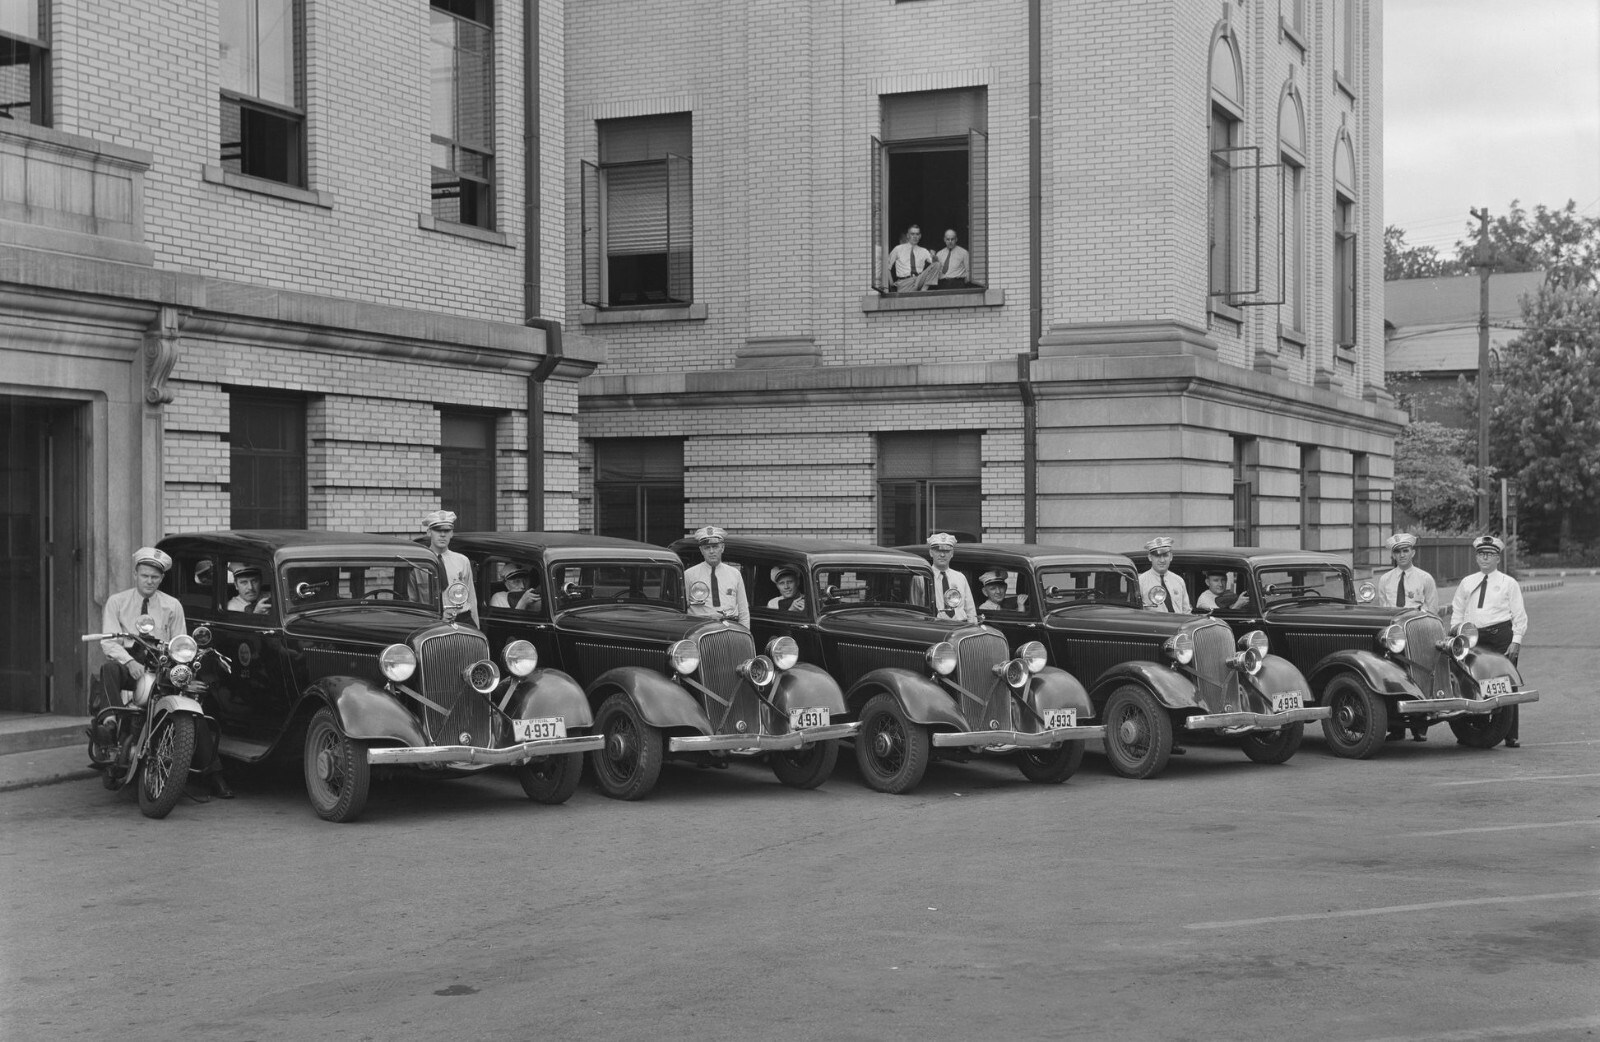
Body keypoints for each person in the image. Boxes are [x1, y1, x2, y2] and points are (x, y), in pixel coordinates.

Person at [98, 547, 231, 797]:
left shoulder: (172, 605)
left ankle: (213, 775)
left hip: (161, 663)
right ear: (135, 574)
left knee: (192, 707)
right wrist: (129, 662)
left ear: (161, 579)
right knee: (109, 669)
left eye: (155, 577)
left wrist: (182, 673)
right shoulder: (117, 601)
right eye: (145, 575)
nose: (150, 581)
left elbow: (181, 643)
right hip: (130, 662)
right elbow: (108, 642)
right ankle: (110, 723)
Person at [1449, 534, 1527, 748]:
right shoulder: (1467, 582)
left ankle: (1511, 734)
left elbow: (1519, 615)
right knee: (1471, 679)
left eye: (1489, 555)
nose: (1484, 558)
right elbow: (1458, 610)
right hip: (1473, 636)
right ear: (1476, 558)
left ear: (1498, 559)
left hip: (1500, 635)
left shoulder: (1508, 583)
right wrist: (1456, 632)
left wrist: (1516, 640)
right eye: (1481, 554)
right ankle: (1475, 730)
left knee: (1506, 683)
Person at [685, 526, 750, 626]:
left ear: (722, 548)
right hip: (700, 628)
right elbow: (684, 609)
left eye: (715, 546)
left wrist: (745, 632)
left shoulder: (734, 574)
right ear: (701, 550)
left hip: (730, 627)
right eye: (707, 547)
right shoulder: (689, 575)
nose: (711, 551)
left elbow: (743, 609)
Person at [424, 510, 479, 626]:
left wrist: (476, 628)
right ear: (429, 532)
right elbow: (413, 599)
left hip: (461, 620)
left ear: (452, 533)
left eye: (447, 530)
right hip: (430, 622)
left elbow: (471, 598)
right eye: (438, 530)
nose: (442, 534)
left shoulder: (462, 561)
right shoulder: (420, 562)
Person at [1375, 532, 1438, 615]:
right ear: (1393, 555)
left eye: (1405, 551)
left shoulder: (1425, 578)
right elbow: (1383, 607)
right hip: (1392, 623)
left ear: (1413, 553)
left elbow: (1432, 609)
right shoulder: (1385, 579)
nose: (1402, 555)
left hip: (1417, 624)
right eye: (1398, 552)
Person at [926, 533, 978, 624]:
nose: (942, 555)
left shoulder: (960, 577)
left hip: (960, 626)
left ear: (952, 553)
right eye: (938, 550)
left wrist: (973, 626)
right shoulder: (923, 577)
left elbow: (970, 609)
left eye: (947, 551)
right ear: (931, 552)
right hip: (934, 627)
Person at [1138, 537, 1191, 613]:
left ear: (1171, 557)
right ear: (1150, 557)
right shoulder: (1141, 581)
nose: (1162, 560)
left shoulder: (1178, 580)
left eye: (1165, 555)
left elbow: (1186, 610)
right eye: (1157, 556)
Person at [886, 225, 941, 292]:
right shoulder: (898, 249)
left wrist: (934, 257)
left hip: (918, 280)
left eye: (917, 234)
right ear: (908, 235)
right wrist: (891, 283)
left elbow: (934, 265)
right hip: (904, 282)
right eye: (912, 234)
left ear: (920, 236)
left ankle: (923, 291)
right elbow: (887, 266)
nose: (915, 236)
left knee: (937, 264)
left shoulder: (924, 251)